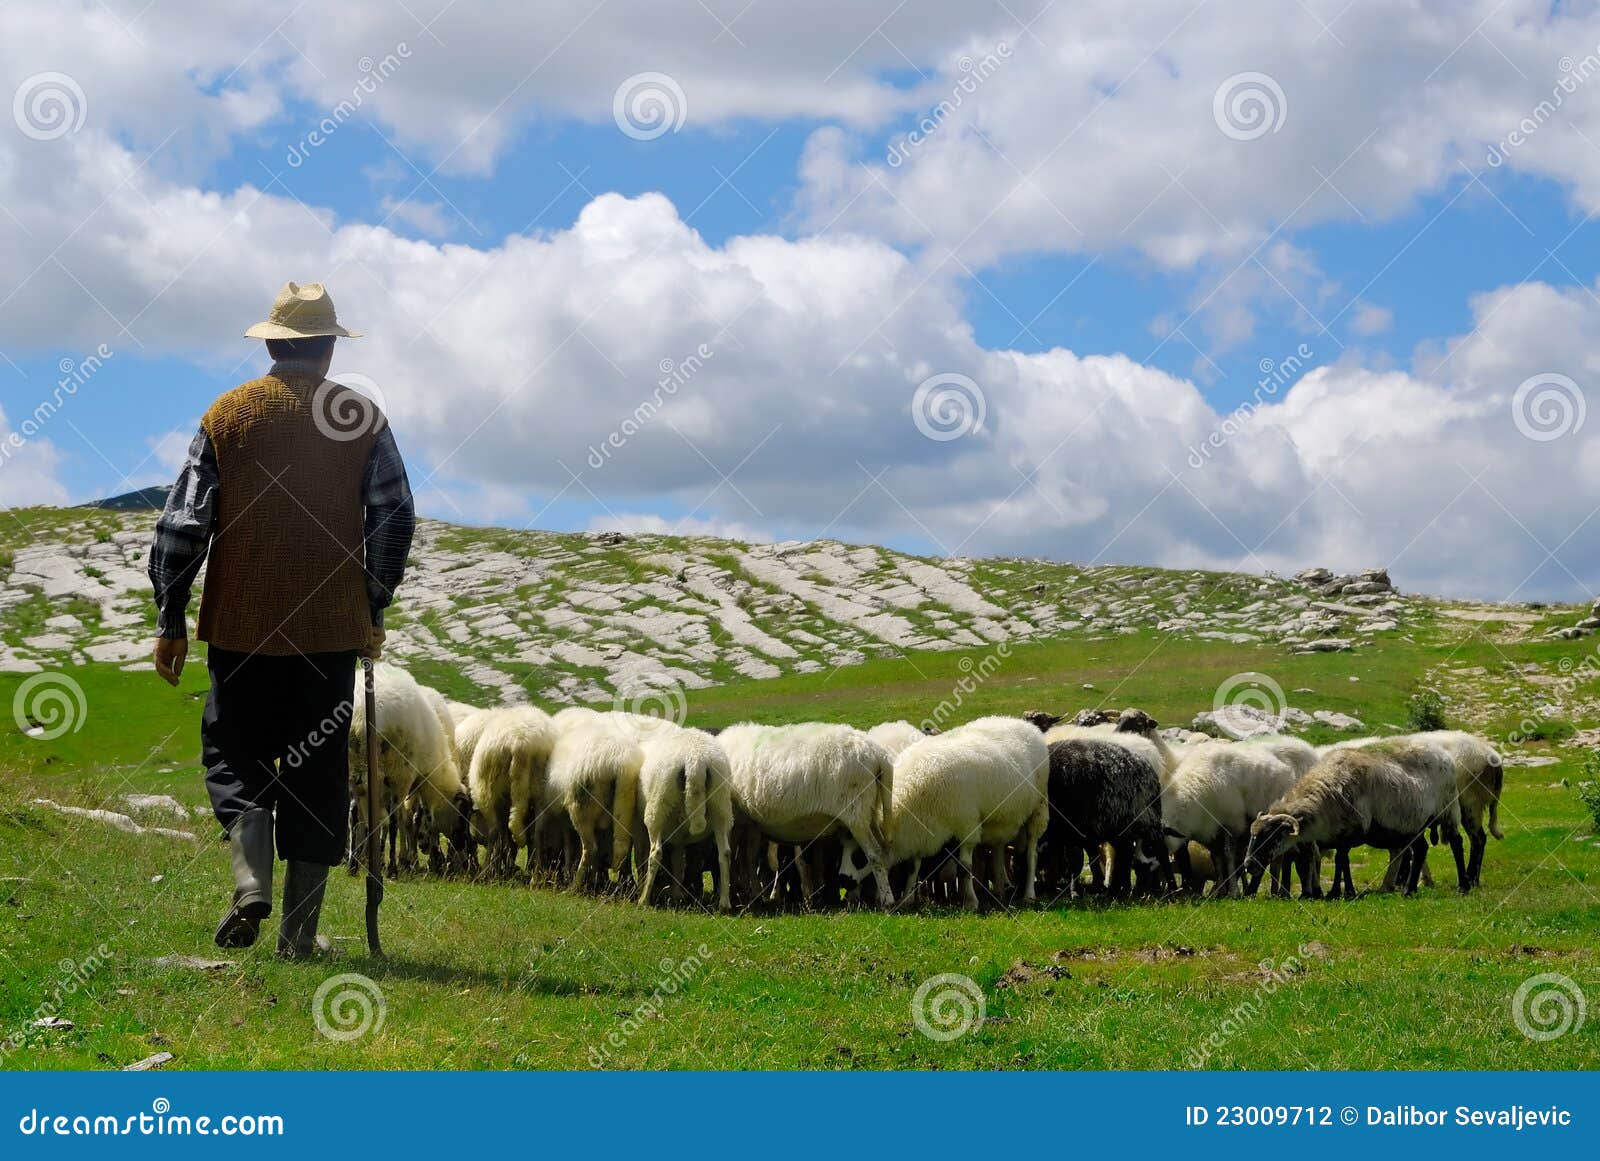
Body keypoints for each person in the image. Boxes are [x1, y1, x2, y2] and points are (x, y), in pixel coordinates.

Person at [147, 281, 414, 957]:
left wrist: (171, 616)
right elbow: (392, 514)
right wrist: (371, 603)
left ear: (271, 342)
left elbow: (184, 521)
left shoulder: (229, 415)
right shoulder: (360, 419)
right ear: (328, 349)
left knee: (231, 754)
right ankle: (298, 936)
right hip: (328, 635)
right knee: (319, 771)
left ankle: (249, 882)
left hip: (241, 628)